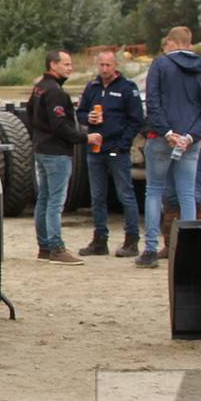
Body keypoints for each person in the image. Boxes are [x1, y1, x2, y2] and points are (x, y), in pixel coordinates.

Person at [137, 26, 201, 268]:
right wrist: (191, 136)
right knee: (188, 194)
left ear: (171, 43)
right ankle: (189, 250)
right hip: (190, 142)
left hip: (161, 138)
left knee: (154, 191)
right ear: (189, 43)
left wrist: (168, 132)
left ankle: (150, 249)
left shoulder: (160, 65)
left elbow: (152, 103)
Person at [76, 50, 145, 256]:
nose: (104, 69)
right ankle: (100, 240)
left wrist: (123, 144)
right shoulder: (92, 87)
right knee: (97, 197)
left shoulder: (127, 88)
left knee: (125, 195)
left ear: (116, 66)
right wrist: (89, 118)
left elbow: (136, 120)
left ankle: (131, 241)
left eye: (108, 65)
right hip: (95, 150)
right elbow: (80, 113)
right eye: (101, 65)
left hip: (117, 149)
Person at [26, 48, 87, 264]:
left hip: (41, 149)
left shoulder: (39, 88)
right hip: (56, 152)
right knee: (55, 201)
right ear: (53, 65)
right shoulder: (56, 92)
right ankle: (56, 247)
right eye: (67, 64)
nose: (70, 68)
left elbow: (30, 115)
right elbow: (60, 125)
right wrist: (85, 137)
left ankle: (43, 247)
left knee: (43, 198)